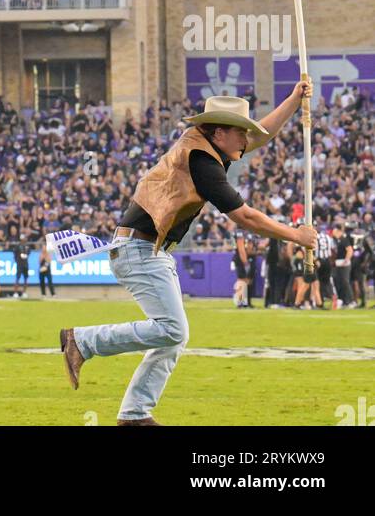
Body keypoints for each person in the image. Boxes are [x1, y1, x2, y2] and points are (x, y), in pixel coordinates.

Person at [59, 87, 317, 426]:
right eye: (241, 130)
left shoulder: (205, 145)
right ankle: (83, 341)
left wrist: (294, 101)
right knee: (172, 329)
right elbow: (245, 217)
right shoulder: (202, 162)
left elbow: (263, 134)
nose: (247, 137)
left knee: (173, 335)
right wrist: (296, 235)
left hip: (146, 248)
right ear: (221, 131)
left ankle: (134, 415)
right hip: (139, 250)